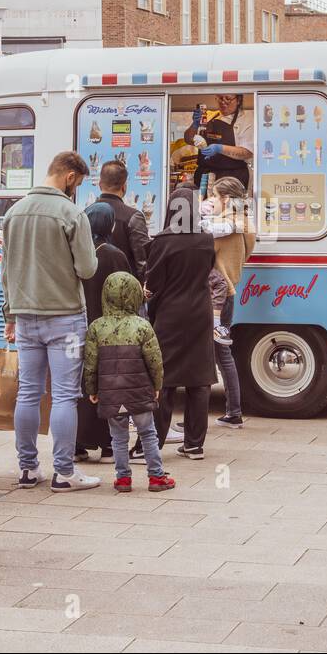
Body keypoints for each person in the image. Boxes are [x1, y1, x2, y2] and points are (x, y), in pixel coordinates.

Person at [2, 151, 100, 491]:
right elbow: (87, 269)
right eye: (79, 183)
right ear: (70, 177)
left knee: (28, 393)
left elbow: (6, 271)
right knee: (64, 396)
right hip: (66, 319)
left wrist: (9, 314)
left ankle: (27, 469)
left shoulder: (14, 213)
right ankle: (63, 472)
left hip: (26, 317)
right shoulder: (71, 214)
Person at [82, 271, 175, 493]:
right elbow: (155, 361)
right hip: (139, 392)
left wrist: (92, 389)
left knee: (118, 438)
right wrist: (157, 385)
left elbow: (90, 363)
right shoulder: (142, 326)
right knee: (148, 433)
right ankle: (156, 477)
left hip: (111, 395)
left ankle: (123, 479)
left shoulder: (96, 327)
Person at [142, 187, 216, 460]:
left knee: (165, 377)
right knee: (200, 378)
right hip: (200, 311)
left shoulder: (163, 241)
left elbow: (155, 282)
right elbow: (208, 270)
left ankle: (155, 442)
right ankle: (195, 444)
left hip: (170, 312)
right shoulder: (206, 239)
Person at [75, 201, 131, 464]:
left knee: (80, 383)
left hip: (80, 326)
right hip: (110, 329)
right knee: (109, 384)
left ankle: (77, 443)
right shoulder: (114, 254)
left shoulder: (76, 252)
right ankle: (109, 445)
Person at [199, 176, 256, 427]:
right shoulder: (246, 223)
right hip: (230, 291)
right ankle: (233, 411)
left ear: (225, 198)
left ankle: (224, 412)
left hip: (214, 296)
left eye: (215, 195)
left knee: (216, 354)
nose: (212, 200)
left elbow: (203, 240)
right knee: (223, 354)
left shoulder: (226, 225)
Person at [185, 93, 254, 192]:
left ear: (238, 100)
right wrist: (194, 125)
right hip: (205, 177)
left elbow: (247, 152)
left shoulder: (247, 120)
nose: (223, 102)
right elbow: (188, 139)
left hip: (232, 178)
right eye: (220, 98)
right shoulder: (211, 116)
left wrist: (219, 148)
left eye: (228, 98)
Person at [95, 160, 150, 282]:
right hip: (123, 291)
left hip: (90, 290)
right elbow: (142, 261)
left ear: (100, 184)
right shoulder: (133, 216)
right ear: (124, 186)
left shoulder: (84, 214)